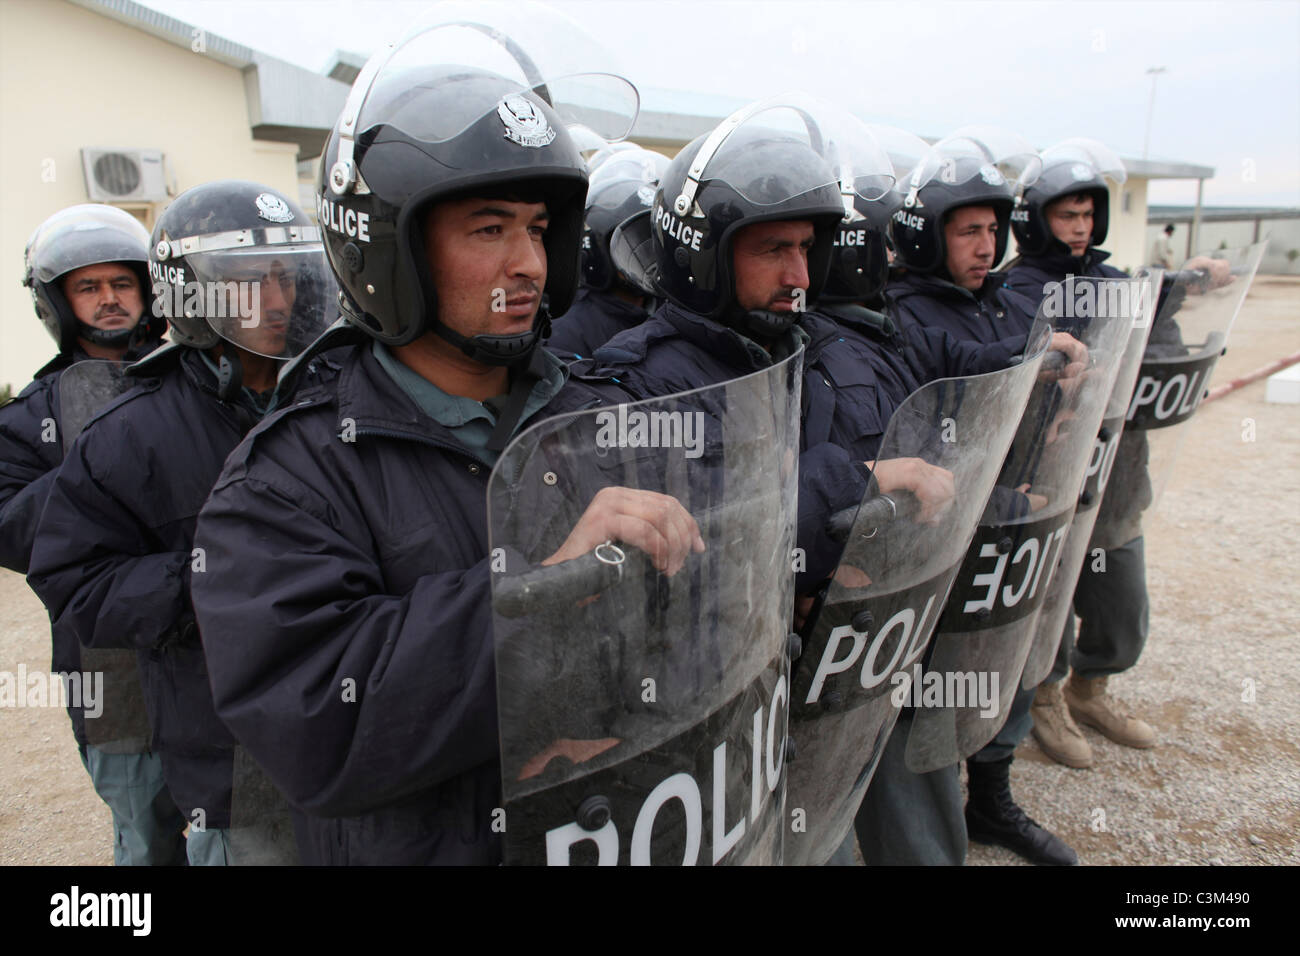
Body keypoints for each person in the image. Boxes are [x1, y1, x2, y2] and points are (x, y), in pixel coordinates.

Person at [183, 12, 700, 865]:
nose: (529, 263)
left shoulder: (597, 417)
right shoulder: (288, 479)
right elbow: (317, 723)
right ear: (392, 250)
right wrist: (537, 595)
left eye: (538, 228)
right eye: (488, 229)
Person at [27, 181, 334, 865]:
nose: (277, 301)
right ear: (191, 294)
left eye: (284, 277)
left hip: (358, 733)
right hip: (233, 755)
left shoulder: (342, 390)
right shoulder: (129, 433)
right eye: (249, 283)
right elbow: (74, 581)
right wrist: (213, 577)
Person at [868, 132, 1080, 866]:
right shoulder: (904, 309)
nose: (986, 245)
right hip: (946, 533)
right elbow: (951, 380)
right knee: (932, 697)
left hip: (1014, 520)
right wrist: (1029, 361)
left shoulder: (1003, 303)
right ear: (929, 235)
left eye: (993, 229)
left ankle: (991, 800)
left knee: (1003, 665)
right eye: (968, 230)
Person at [1, 204, 178, 865]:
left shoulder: (196, 380)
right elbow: (12, 533)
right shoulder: (28, 419)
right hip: (107, 666)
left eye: (121, 284)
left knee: (243, 821)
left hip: (208, 645)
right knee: (147, 838)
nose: (109, 300)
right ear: (58, 301)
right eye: (88, 287)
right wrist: (102, 451)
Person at [546, 145, 667, 359]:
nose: (647, 252)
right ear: (598, 249)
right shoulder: (566, 333)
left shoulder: (665, 311)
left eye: (652, 238)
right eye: (632, 241)